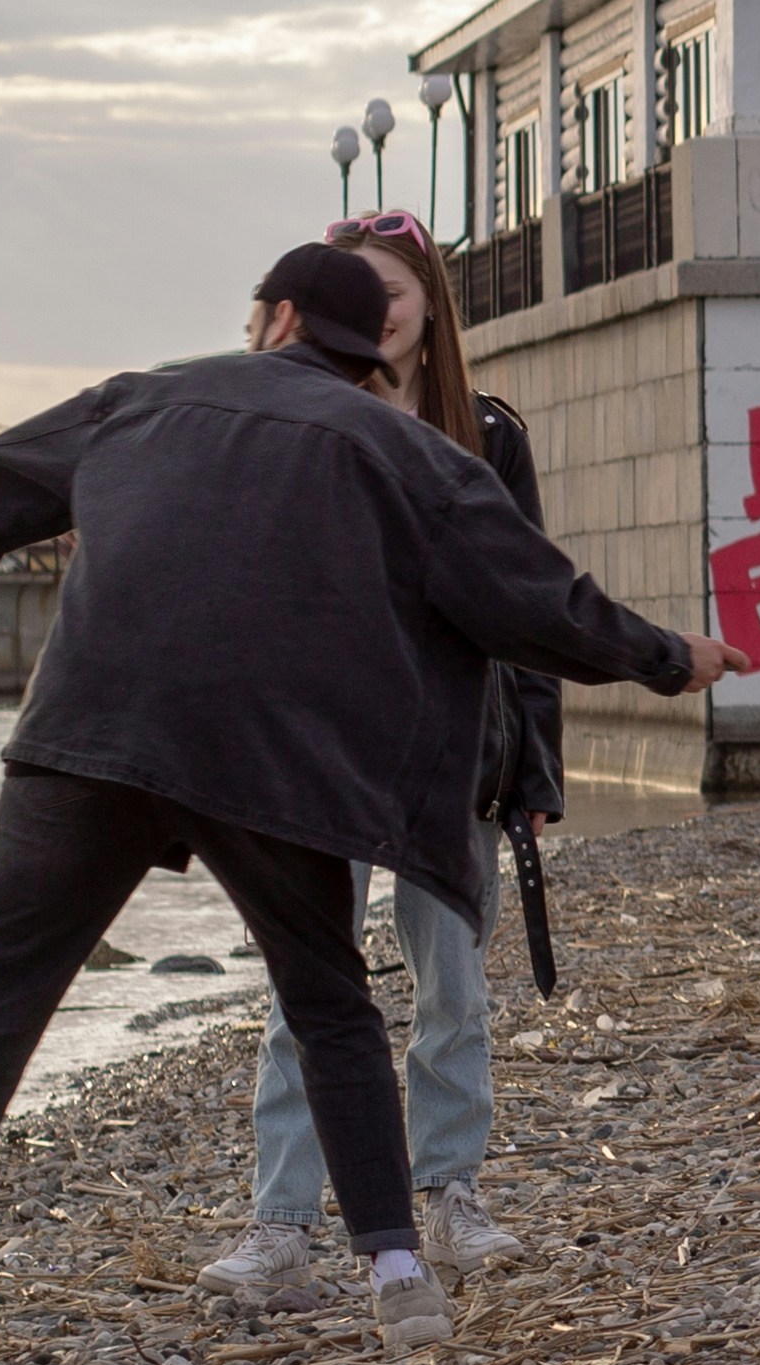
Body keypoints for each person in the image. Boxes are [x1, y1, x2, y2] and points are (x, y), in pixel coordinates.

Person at [0, 245, 747, 1365]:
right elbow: (538, 604)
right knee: (329, 1003)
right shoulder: (407, 452)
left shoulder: (138, 401)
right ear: (369, 341)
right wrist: (672, 659)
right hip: (273, 763)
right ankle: (400, 1280)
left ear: (276, 318)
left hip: (91, 733)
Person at [197, 213, 557, 1308]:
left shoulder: (486, 437)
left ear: (429, 307)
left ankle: (451, 1192)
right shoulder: (291, 428)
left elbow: (533, 609)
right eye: (357, 290)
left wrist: (535, 770)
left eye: (394, 290)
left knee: (453, 987)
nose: (378, 310)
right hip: (314, 757)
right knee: (306, 994)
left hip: (449, 759)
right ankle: (284, 1227)